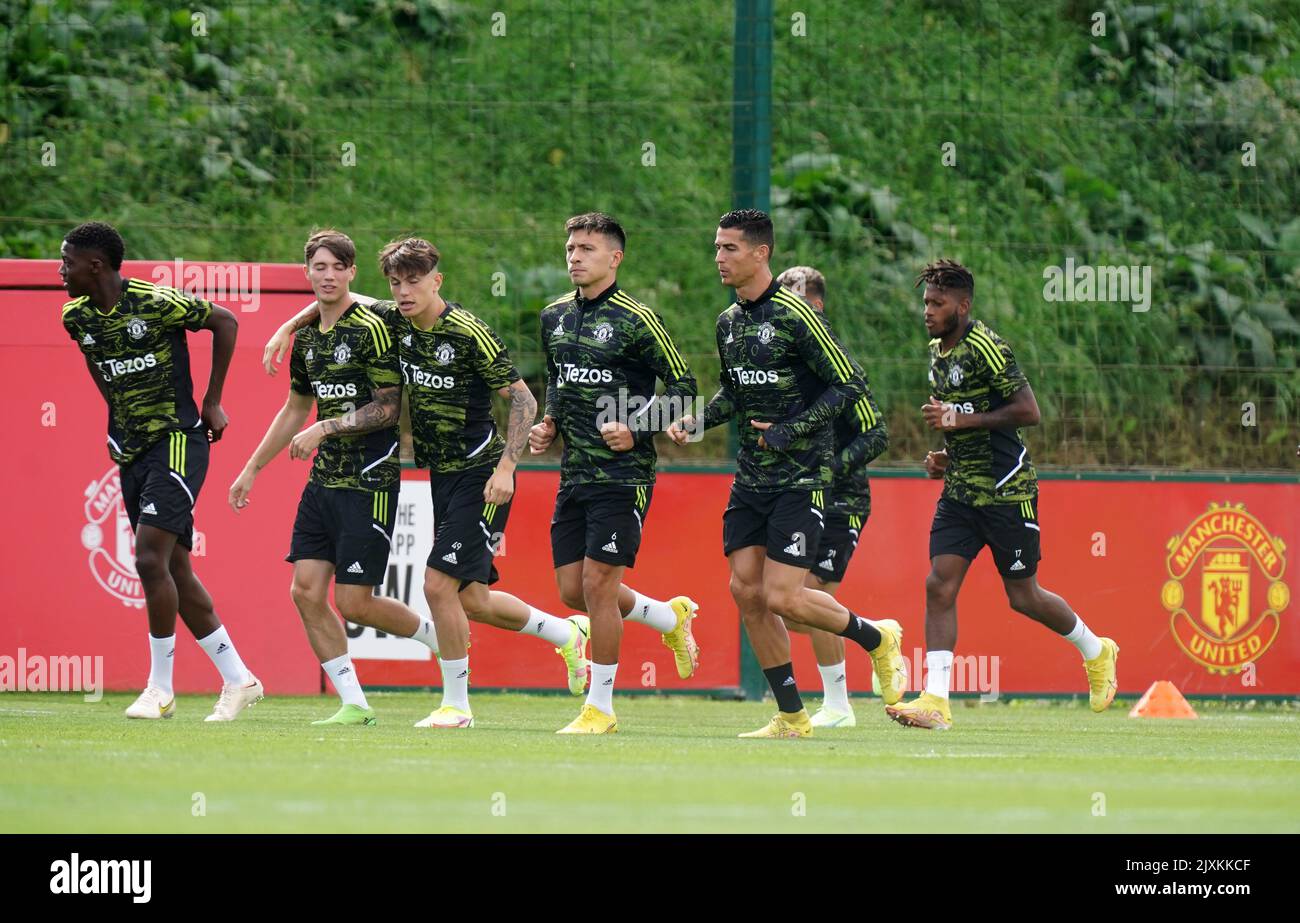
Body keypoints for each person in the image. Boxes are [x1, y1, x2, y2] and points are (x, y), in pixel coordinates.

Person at [259, 237, 591, 728]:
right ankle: (567, 635)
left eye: (414, 281)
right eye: (395, 283)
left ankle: (457, 706)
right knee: (471, 601)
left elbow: (522, 400)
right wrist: (287, 326)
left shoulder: (467, 331)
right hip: (442, 475)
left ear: (437, 280)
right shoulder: (395, 319)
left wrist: (507, 468)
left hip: (481, 474)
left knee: (438, 585)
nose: (404, 291)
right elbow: (339, 300)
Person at [668, 210, 905, 739]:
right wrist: (698, 420)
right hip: (750, 480)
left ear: (761, 253)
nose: (719, 258)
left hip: (802, 479)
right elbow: (735, 391)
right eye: (716, 247)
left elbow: (850, 384)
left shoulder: (797, 315)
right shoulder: (728, 321)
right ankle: (792, 715)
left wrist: (791, 429)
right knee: (746, 594)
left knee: (782, 597)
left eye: (730, 248)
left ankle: (878, 639)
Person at [885, 259, 1118, 730]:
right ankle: (935, 700)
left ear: (963, 305)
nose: (927, 310)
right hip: (960, 491)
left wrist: (960, 420)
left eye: (938, 303)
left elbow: (1027, 411)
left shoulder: (987, 346)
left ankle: (1097, 650)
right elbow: (962, 417)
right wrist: (945, 455)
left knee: (1023, 596)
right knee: (939, 583)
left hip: (1007, 488)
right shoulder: (937, 351)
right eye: (926, 301)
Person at [229, 229, 440, 726]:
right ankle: (354, 704)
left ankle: (436, 635)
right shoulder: (306, 339)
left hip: (369, 478)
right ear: (307, 273)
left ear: (351, 272)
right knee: (304, 591)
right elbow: (294, 408)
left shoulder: (373, 324)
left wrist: (326, 427)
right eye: (317, 267)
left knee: (354, 603)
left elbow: (388, 408)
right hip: (324, 480)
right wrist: (252, 468)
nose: (327, 275)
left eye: (336, 267)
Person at [60, 221, 261, 721]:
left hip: (178, 440)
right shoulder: (75, 317)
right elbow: (99, 367)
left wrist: (212, 401)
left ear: (95, 266)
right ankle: (240, 680)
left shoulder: (154, 301)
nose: (60, 270)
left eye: (67, 262)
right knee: (174, 568)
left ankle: (160, 690)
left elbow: (226, 321)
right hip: (131, 451)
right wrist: (115, 422)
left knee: (149, 558)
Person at [529, 212, 701, 734]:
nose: (575, 256)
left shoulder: (637, 319)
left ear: (614, 257)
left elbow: (685, 390)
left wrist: (637, 428)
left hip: (624, 474)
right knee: (572, 592)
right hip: (573, 472)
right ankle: (670, 620)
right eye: (570, 248)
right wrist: (550, 422)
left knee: (600, 587)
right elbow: (559, 379)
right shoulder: (554, 316)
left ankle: (600, 708)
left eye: (586, 248)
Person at [773, 266, 890, 728]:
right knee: (790, 607)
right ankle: (876, 634)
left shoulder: (837, 363)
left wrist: (830, 469)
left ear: (815, 306)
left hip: (840, 500)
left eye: (791, 300)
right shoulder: (779, 359)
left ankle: (838, 706)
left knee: (810, 599)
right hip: (794, 495)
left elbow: (877, 433)